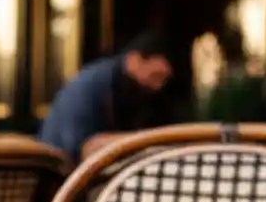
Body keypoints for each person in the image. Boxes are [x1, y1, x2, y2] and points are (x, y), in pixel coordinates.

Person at [38, 31, 174, 160]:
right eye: (156, 76)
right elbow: (85, 147)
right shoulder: (94, 83)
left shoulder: (129, 87)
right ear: (134, 59)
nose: (158, 86)